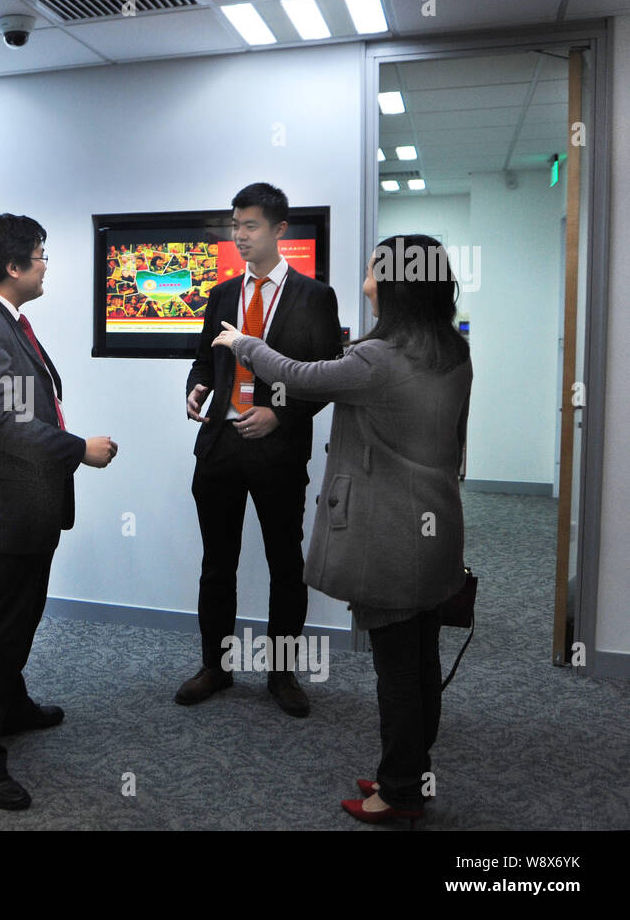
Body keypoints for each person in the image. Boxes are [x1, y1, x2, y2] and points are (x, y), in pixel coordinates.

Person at [212, 234, 472, 823]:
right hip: (435, 528)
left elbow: (299, 375)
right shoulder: (451, 352)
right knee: (421, 660)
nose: (365, 283)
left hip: (390, 536)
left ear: (399, 285)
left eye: (374, 272)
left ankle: (399, 791)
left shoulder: (380, 359)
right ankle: (410, 771)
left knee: (397, 672)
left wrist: (243, 342)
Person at [0, 213, 118, 811]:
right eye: (40, 256)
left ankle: (11, 707)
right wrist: (78, 450)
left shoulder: (2, 319)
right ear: (12, 266)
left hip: (25, 506)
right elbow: (0, 422)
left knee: (20, 619)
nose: (45, 267)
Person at [178, 183, 342, 716]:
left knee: (284, 565)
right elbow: (206, 358)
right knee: (216, 564)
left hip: (278, 450)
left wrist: (281, 413)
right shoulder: (223, 293)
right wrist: (197, 386)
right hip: (220, 445)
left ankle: (282, 675)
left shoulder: (314, 297)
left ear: (279, 230)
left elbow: (325, 378)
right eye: (235, 226)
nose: (240, 236)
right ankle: (215, 667)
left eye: (250, 226)